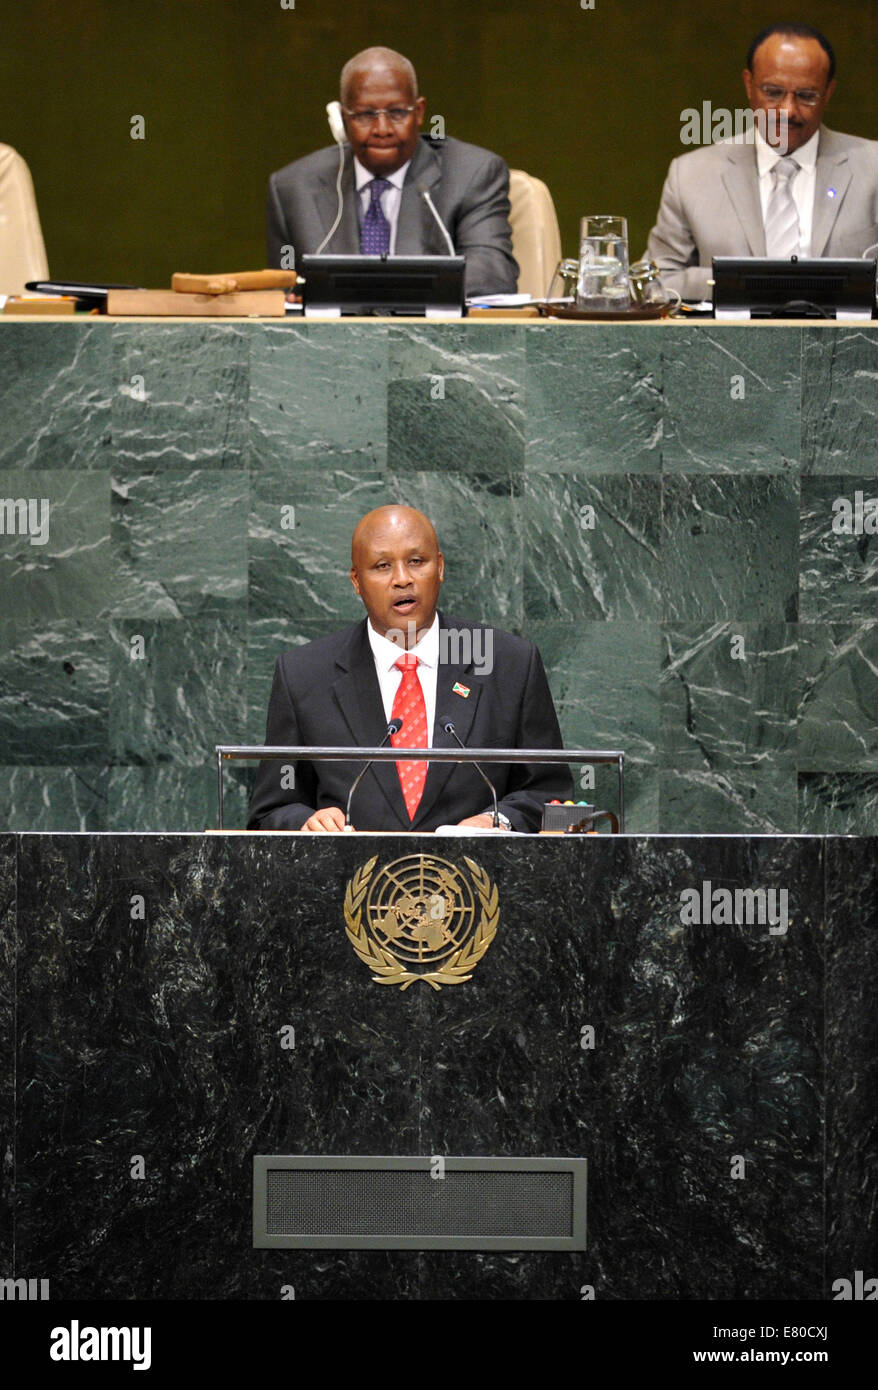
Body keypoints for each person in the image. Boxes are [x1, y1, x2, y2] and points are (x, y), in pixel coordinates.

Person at [247, 506, 571, 832]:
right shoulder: (304, 675)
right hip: (351, 880)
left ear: (440, 567)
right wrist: (306, 822)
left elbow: (549, 793)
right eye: (382, 566)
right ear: (356, 582)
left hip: (478, 878)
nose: (403, 579)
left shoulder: (508, 663)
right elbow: (273, 808)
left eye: (416, 562)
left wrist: (497, 820)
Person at [646, 23, 878, 300]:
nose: (788, 111)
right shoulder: (691, 175)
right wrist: (747, 284)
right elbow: (657, 281)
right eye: (773, 92)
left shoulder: (872, 168)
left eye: (806, 96)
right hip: (728, 343)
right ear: (748, 85)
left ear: (828, 93)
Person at [266, 46, 518, 298]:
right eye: (365, 115)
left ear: (419, 113)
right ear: (343, 119)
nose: (382, 128)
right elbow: (282, 289)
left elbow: (492, 275)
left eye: (397, 113)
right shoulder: (293, 188)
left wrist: (365, 290)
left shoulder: (472, 174)